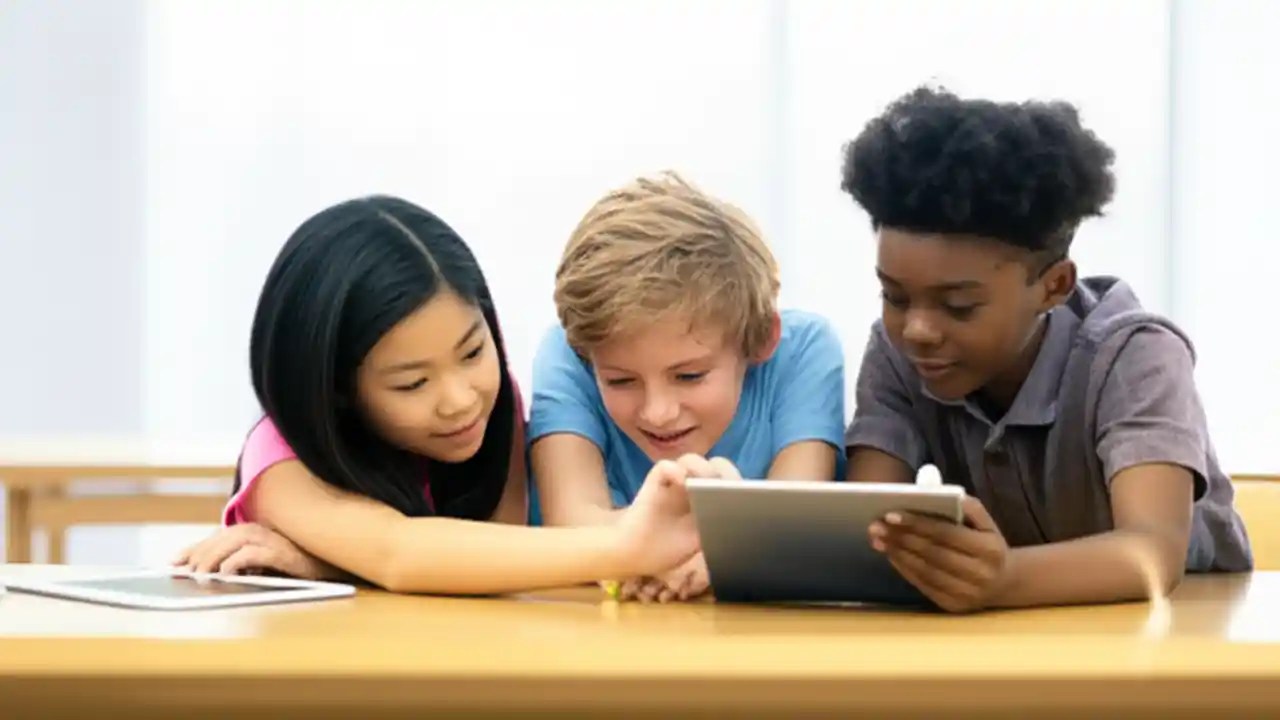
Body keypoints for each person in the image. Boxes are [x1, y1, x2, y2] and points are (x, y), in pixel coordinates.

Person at [839, 86, 1253, 613]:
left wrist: (1006, 577)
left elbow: (1152, 553)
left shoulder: (1136, 357)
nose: (917, 329)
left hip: (1187, 638)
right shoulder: (900, 353)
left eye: (960, 305)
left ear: (1054, 286)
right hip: (1025, 632)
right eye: (893, 296)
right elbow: (867, 523)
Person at [173, 195, 717, 594]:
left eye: (474, 352)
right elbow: (398, 552)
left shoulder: (494, 408)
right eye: (412, 382)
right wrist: (630, 547)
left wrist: (327, 566)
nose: (460, 399)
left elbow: (497, 556)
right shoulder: (279, 458)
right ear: (336, 390)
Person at [529, 172, 847, 602]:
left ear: (760, 340)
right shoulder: (570, 351)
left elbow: (790, 525)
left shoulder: (805, 350)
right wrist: (726, 538)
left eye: (690, 376)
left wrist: (726, 544)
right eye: (620, 380)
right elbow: (573, 528)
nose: (658, 412)